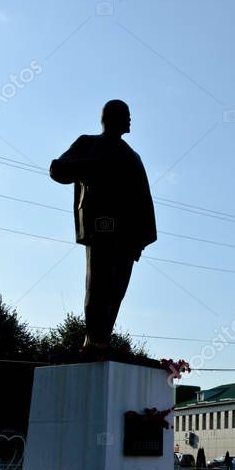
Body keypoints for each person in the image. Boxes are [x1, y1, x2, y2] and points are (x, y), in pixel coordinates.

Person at [49, 100, 157, 348]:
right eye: (125, 115)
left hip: (127, 235)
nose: (130, 120)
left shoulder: (132, 156)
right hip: (100, 228)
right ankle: (94, 340)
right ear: (110, 117)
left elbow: (143, 198)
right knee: (98, 285)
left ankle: (102, 339)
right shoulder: (89, 144)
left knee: (117, 291)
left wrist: (142, 237)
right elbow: (58, 169)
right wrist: (90, 166)